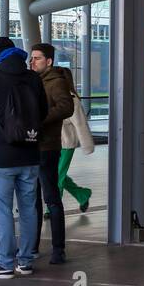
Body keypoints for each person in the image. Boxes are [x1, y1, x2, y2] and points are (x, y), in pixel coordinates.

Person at [0, 37, 48, 278]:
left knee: (3, 211)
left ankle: (4, 264)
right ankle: (25, 262)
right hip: (31, 154)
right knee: (29, 210)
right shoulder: (33, 77)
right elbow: (43, 111)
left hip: (2, 156)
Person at [28, 43, 75, 265]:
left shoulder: (55, 82)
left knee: (51, 199)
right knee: (33, 200)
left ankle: (58, 249)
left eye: (37, 58)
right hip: (33, 146)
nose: (32, 61)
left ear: (49, 61)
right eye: (31, 58)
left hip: (47, 147)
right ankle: (33, 245)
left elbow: (67, 107)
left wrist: (41, 117)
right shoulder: (33, 81)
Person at [54, 62, 95, 213]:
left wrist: (87, 146)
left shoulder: (72, 100)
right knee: (58, 174)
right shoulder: (52, 97)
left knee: (57, 177)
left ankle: (52, 208)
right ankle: (82, 194)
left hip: (66, 144)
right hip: (51, 143)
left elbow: (81, 124)